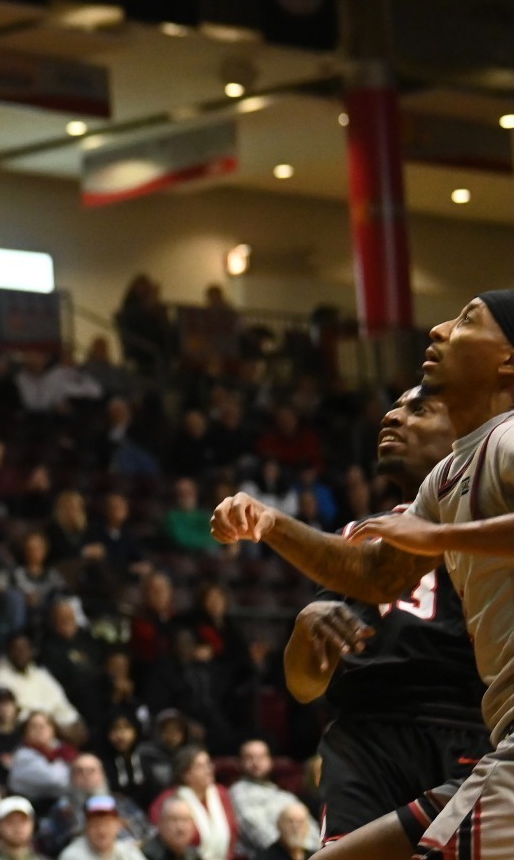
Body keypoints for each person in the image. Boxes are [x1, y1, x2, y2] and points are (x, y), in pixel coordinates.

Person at [214, 314, 514, 860]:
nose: (394, 416)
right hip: (373, 734)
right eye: (393, 407)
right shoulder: (386, 524)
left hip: (476, 727)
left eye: (418, 407)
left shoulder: (497, 454)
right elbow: (307, 679)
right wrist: (304, 619)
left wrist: (442, 536)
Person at [225, 741, 311, 855]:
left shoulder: (284, 795)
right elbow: (261, 836)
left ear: (270, 761)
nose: (256, 763)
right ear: (240, 762)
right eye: (250, 758)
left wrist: (319, 852)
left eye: (261, 757)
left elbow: (312, 830)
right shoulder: (238, 793)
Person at [148, 749, 233, 860]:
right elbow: (163, 836)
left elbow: (234, 834)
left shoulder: (222, 794)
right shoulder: (168, 800)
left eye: (208, 764)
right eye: (200, 767)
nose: (208, 770)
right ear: (184, 774)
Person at [60, 797, 146, 860]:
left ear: (118, 825)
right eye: (95, 824)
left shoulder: (128, 852)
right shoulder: (72, 856)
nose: (102, 831)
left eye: (107, 824)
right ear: (86, 828)